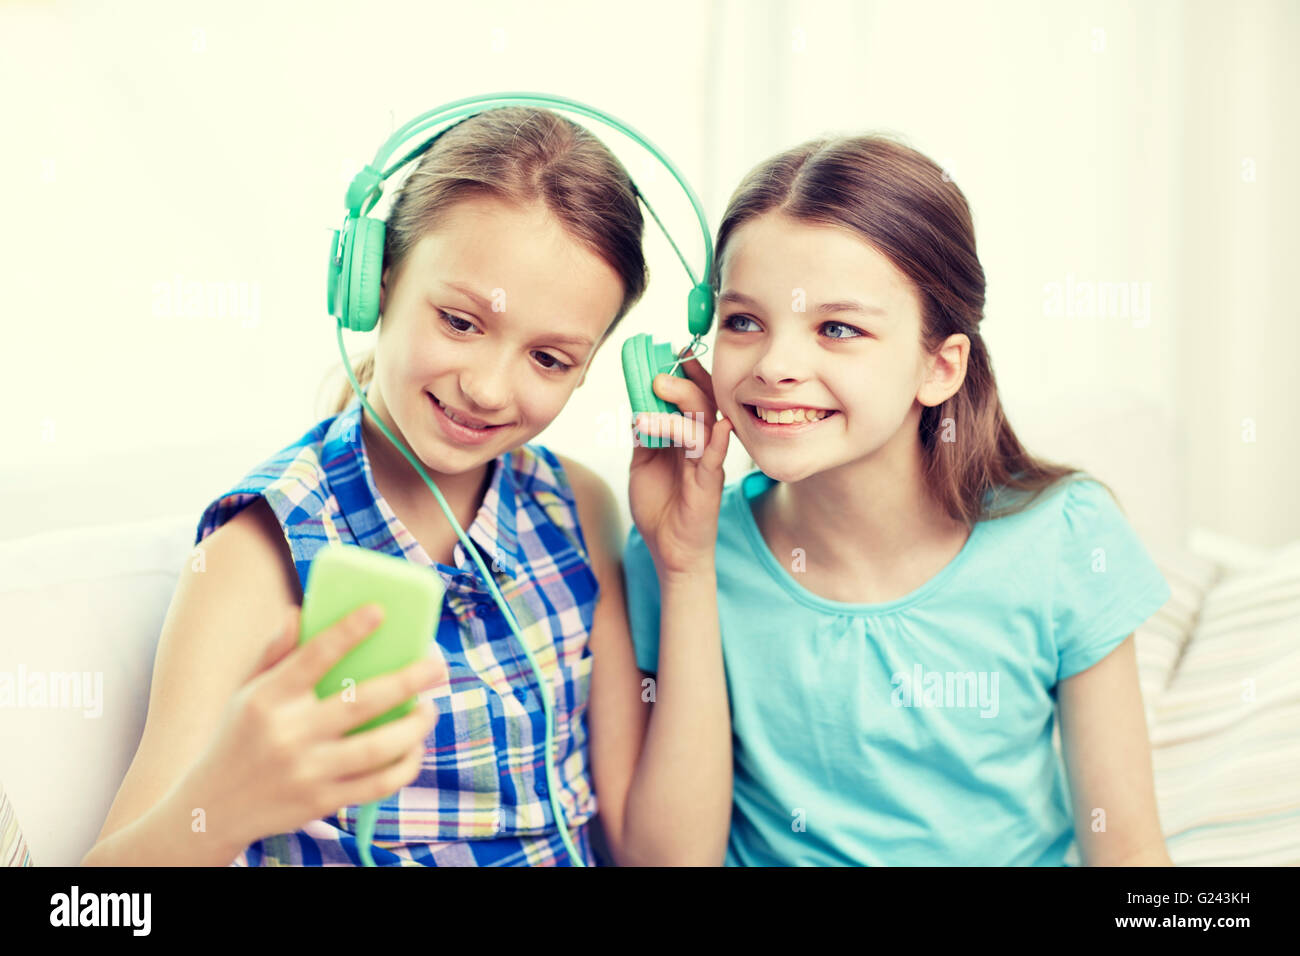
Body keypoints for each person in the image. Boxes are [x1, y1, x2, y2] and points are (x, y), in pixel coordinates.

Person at [81, 105, 729, 867]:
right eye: (459, 321)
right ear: (375, 283)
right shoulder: (259, 554)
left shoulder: (577, 506)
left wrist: (684, 565)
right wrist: (225, 798)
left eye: (550, 360)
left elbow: (666, 859)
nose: (488, 388)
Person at [624, 134, 1174, 866]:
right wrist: (686, 570)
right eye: (744, 322)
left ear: (939, 366)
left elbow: (1130, 854)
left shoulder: (1065, 539)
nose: (776, 366)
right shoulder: (678, 551)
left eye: (838, 328)